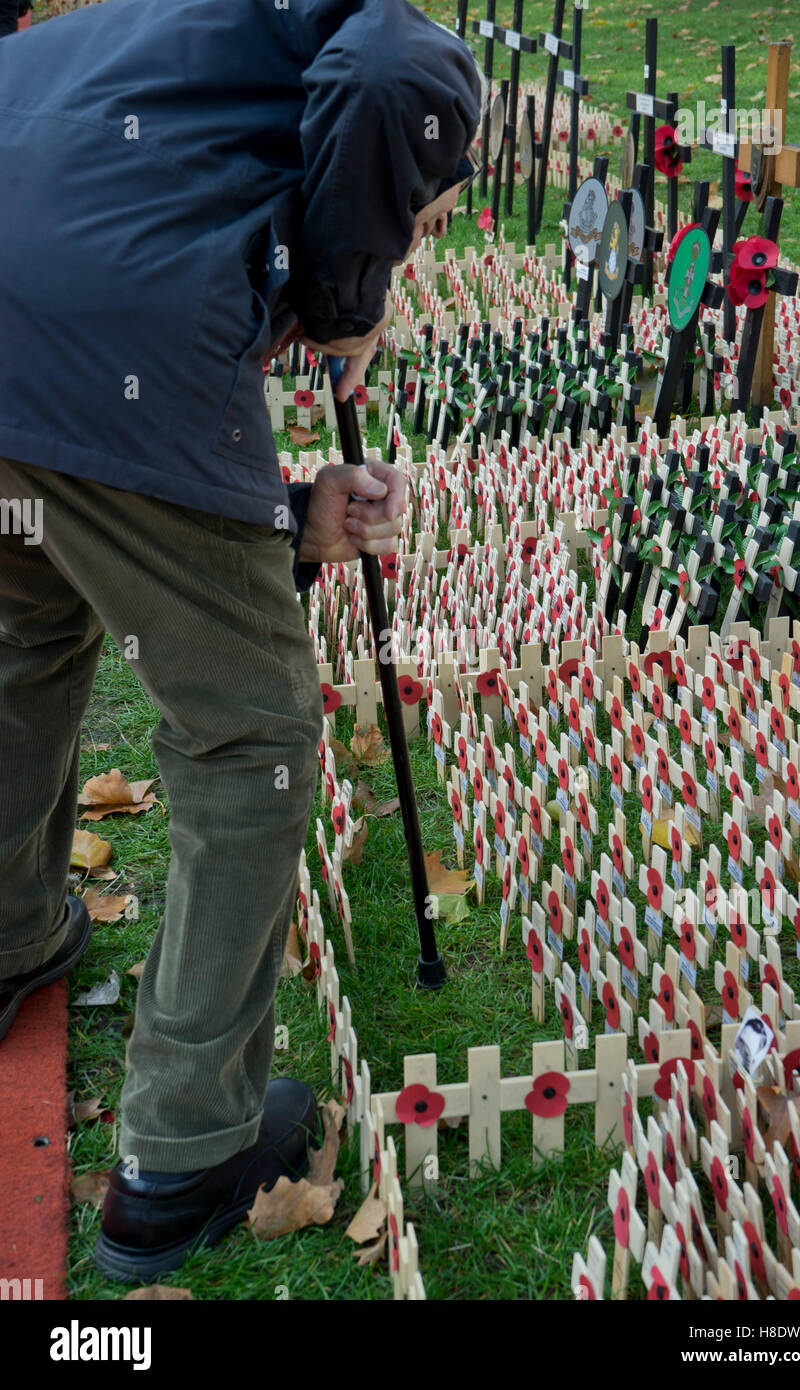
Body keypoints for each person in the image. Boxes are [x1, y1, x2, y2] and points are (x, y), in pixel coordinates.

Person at [0, 0, 482, 1281]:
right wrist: (346, 292)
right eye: (423, 224)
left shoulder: (156, 45)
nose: (415, 243)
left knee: (19, 635)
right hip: (106, 342)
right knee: (249, 731)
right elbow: (392, 72)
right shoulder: (386, 39)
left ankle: (5, 940)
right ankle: (185, 1148)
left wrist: (284, 513)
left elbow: (105, 505)